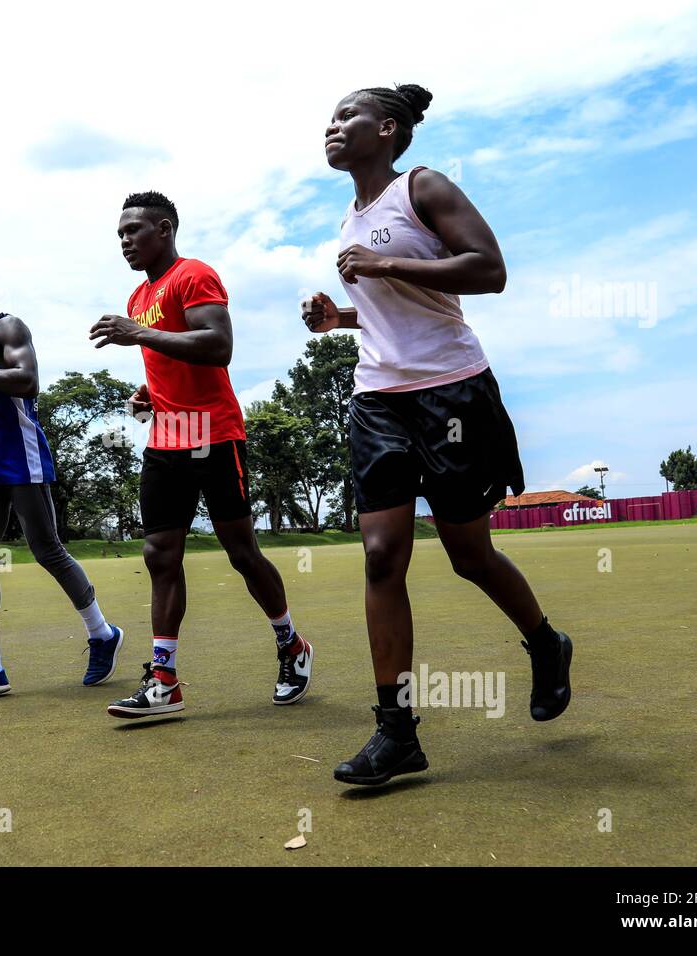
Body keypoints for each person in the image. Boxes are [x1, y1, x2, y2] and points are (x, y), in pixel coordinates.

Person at [303, 85, 572, 785]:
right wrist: (339, 318)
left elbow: (490, 270)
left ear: (387, 128)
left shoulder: (421, 188)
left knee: (467, 553)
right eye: (329, 119)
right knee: (381, 555)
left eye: (347, 117)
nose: (332, 127)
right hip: (377, 398)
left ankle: (546, 643)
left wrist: (384, 263)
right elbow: (392, 317)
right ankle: (397, 732)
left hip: (451, 391)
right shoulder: (348, 219)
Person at [90, 192, 313, 719]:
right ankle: (163, 680)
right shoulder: (137, 297)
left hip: (214, 434)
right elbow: (168, 359)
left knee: (241, 552)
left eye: (134, 231)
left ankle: (291, 644)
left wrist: (140, 333)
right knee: (159, 554)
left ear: (164, 229)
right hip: (167, 436)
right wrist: (149, 394)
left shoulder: (194, 275)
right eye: (119, 234)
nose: (124, 241)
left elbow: (217, 345)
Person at [0, 260, 123, 697]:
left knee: (47, 550)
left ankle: (102, 634)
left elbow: (28, 382)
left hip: (21, 460)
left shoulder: (8, 328)